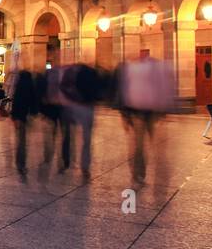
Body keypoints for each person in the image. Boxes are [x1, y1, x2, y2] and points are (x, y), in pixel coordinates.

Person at [115, 55, 175, 183]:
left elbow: (125, 91)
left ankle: (138, 173)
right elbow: (164, 89)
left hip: (140, 111)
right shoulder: (157, 69)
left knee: (139, 144)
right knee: (148, 145)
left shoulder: (132, 69)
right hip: (148, 112)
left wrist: (124, 114)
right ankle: (143, 172)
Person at [60, 61, 102, 179]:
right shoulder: (92, 72)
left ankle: (67, 161)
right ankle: (84, 166)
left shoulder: (70, 71)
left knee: (69, 136)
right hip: (87, 107)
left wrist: (72, 97)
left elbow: (63, 87)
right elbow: (99, 89)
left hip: (74, 106)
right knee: (86, 139)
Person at [8, 68, 40, 179]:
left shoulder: (19, 88)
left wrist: (14, 117)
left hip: (19, 118)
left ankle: (20, 163)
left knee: (20, 141)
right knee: (23, 141)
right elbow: (34, 103)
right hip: (27, 117)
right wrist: (34, 114)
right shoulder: (32, 88)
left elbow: (15, 104)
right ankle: (22, 163)